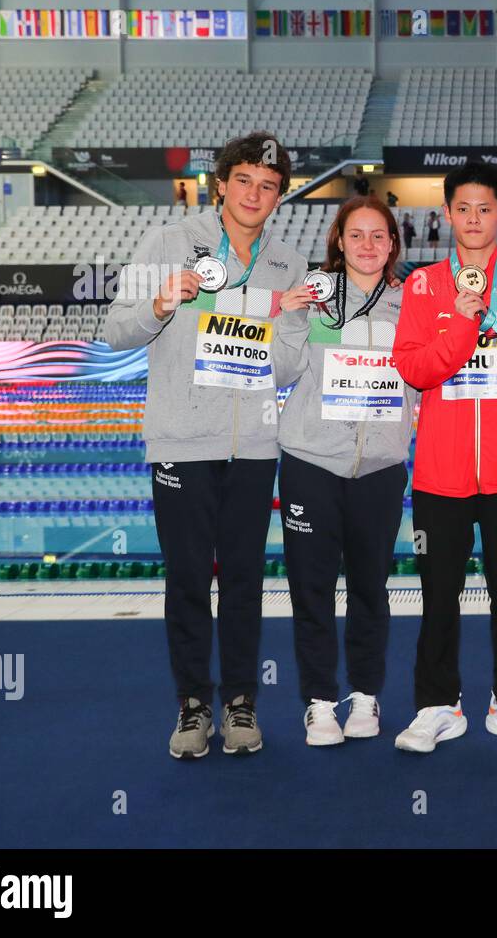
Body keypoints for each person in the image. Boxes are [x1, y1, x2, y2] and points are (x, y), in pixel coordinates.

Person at [104, 132, 311, 759]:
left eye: (268, 186)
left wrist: (252, 342)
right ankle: (192, 706)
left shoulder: (288, 266)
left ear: (280, 197)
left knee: (245, 580)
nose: (255, 194)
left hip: (251, 447)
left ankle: (241, 702)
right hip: (181, 442)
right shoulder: (168, 244)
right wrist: (163, 303)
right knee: (189, 578)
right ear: (222, 183)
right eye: (244, 180)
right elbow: (115, 330)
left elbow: (291, 362)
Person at [391, 161, 497, 753]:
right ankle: (439, 704)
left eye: (486, 209)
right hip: (441, 472)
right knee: (439, 594)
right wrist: (460, 325)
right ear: (447, 214)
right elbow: (413, 367)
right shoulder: (423, 287)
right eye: (464, 209)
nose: (475, 219)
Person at [272, 195, 414, 746]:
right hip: (312, 461)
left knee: (370, 589)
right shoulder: (315, 298)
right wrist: (288, 315)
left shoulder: (408, 303)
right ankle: (320, 701)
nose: (368, 245)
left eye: (379, 235)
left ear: (393, 245)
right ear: (338, 240)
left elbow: (426, 370)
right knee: (311, 589)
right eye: (357, 235)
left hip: (379, 466)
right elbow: (281, 370)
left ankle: (366, 696)